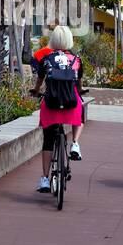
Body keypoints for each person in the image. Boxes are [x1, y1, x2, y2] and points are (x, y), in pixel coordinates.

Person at [31, 25, 85, 192]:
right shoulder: (76, 60)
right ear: (69, 40)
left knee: (48, 140)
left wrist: (36, 91)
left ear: (53, 40)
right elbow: (79, 83)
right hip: (71, 104)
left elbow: (39, 81)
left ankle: (45, 179)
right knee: (80, 116)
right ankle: (75, 143)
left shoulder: (46, 60)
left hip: (51, 104)